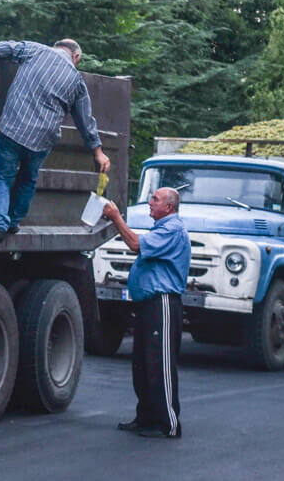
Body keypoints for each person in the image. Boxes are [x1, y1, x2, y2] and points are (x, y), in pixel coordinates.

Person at [0, 38, 110, 241]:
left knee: (2, 177)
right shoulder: (77, 81)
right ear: (75, 56)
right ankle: (13, 222)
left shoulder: (35, 50)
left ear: (56, 46)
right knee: (28, 180)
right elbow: (85, 121)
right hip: (42, 140)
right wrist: (98, 152)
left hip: (13, 128)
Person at [102, 187, 191, 439]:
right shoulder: (161, 228)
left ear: (169, 207)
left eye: (155, 199)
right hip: (148, 304)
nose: (150, 202)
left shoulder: (172, 229)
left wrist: (117, 218)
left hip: (162, 303)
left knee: (158, 364)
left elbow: (135, 244)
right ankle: (146, 417)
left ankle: (168, 423)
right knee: (142, 364)